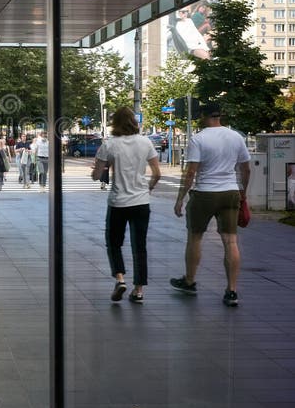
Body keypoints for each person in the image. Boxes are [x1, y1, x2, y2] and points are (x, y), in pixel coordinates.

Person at [171, 101, 251, 306]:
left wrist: (180, 198)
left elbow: (191, 172)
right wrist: (243, 193)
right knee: (231, 241)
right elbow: (246, 169)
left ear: (204, 116)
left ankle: (189, 281)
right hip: (230, 192)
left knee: (195, 238)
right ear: (220, 115)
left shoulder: (198, 139)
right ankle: (232, 291)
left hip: (205, 193)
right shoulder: (236, 137)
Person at [92, 107, 160, 304]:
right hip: (141, 202)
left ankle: (120, 278)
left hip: (118, 202)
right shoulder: (146, 142)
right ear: (133, 121)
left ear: (115, 123)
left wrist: (99, 169)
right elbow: (157, 173)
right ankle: (138, 290)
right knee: (140, 245)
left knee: (113, 242)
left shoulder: (109, 144)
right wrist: (149, 188)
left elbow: (97, 176)